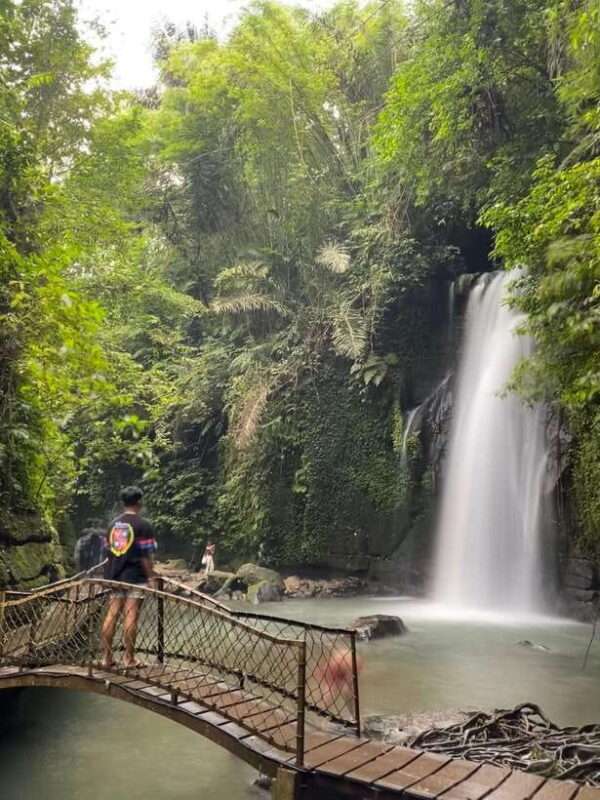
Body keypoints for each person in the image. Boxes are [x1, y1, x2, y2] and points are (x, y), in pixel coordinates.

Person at [100, 486, 157, 669]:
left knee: (112, 614)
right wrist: (151, 577)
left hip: (114, 575)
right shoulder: (143, 525)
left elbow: (108, 552)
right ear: (139, 502)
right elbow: (146, 555)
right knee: (131, 615)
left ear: (123, 503)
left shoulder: (112, 524)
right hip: (134, 576)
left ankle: (106, 658)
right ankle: (128, 659)